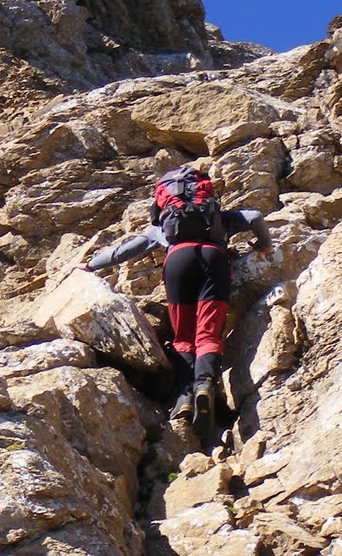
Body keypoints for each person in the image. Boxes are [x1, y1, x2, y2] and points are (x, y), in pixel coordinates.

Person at [83, 164, 272, 426]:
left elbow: (123, 251)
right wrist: (265, 245)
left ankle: (184, 398)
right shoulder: (219, 218)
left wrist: (90, 265)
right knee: (208, 331)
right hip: (214, 259)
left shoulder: (164, 226)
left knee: (183, 336)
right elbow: (254, 217)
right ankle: (205, 383)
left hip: (178, 260)